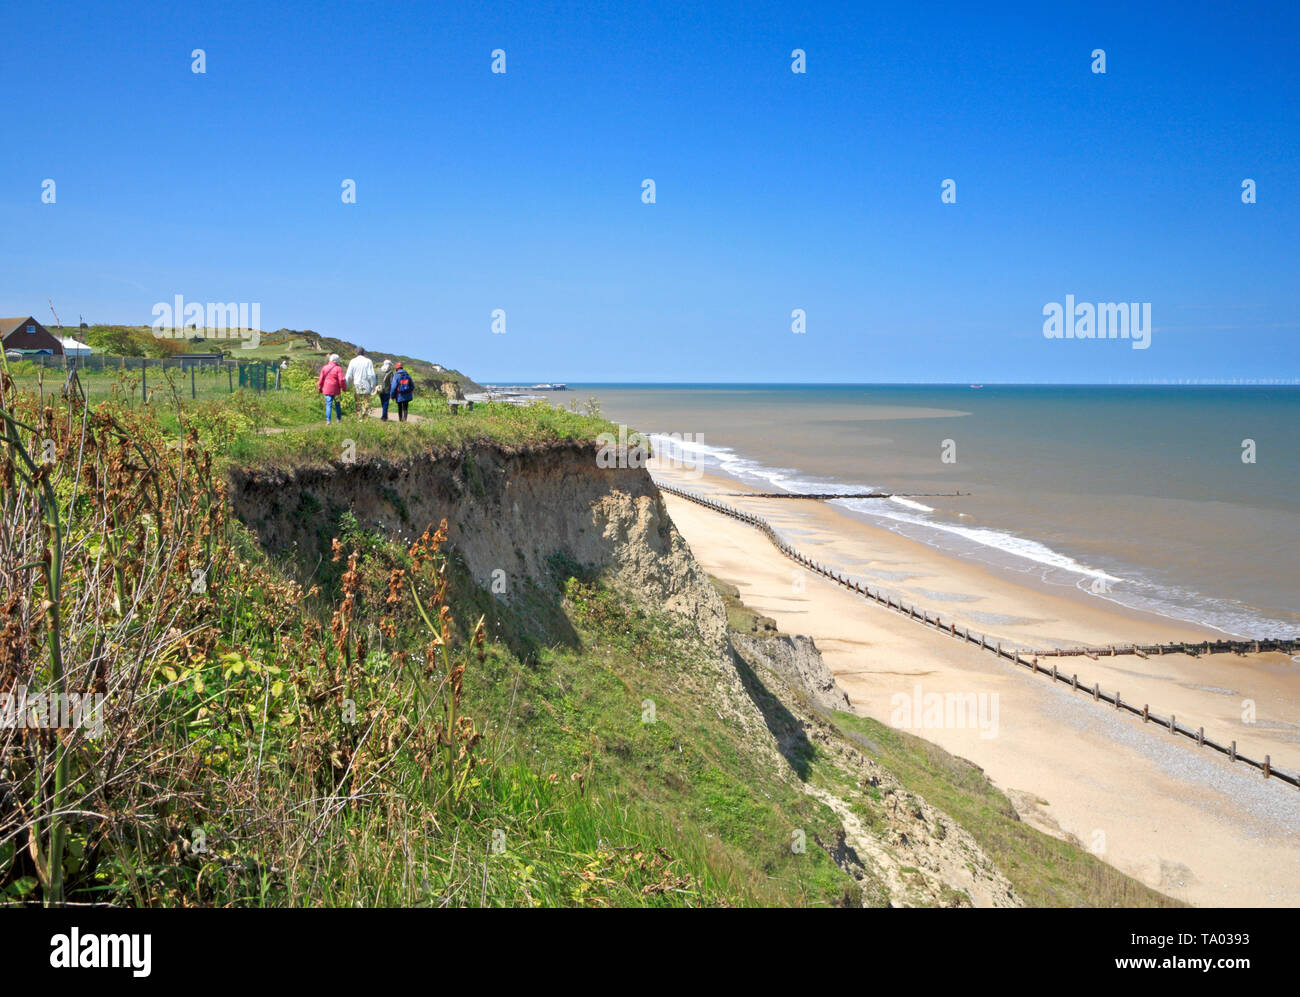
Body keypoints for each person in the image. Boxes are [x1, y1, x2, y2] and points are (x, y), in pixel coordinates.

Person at [345, 348, 377, 418]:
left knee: (358, 402)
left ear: (356, 353)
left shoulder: (352, 361)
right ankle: (364, 417)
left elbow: (349, 376)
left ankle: (359, 417)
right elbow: (371, 375)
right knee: (366, 402)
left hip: (356, 385)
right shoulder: (368, 361)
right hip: (366, 385)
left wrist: (346, 386)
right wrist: (373, 385)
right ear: (364, 353)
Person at [317, 353, 346, 424]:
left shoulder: (324, 368)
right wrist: (344, 388)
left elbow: (321, 379)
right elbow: (341, 380)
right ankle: (338, 419)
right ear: (337, 360)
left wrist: (320, 388)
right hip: (336, 390)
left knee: (328, 405)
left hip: (327, 389)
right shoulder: (338, 368)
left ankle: (328, 420)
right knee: (337, 404)